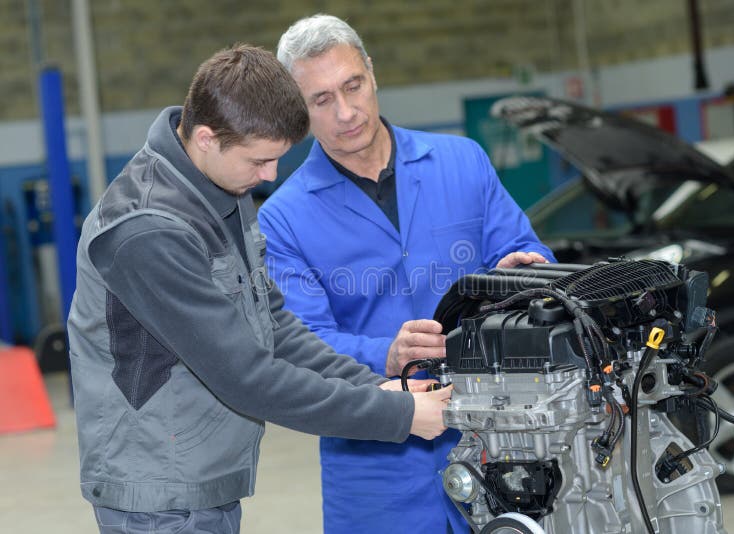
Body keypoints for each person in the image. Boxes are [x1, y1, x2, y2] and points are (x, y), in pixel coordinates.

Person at [67, 44, 452, 534]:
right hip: (159, 498)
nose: (269, 176)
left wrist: (373, 385)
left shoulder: (222, 185)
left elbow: (274, 325)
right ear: (206, 138)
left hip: (202, 476)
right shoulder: (147, 230)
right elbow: (246, 376)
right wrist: (396, 414)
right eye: (260, 161)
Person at [259, 15, 557, 534]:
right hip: (376, 470)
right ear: (297, 109)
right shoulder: (283, 218)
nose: (347, 112)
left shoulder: (462, 162)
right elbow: (299, 344)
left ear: (371, 73)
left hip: (499, 442)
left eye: (352, 85)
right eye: (321, 99)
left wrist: (524, 271)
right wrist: (385, 355)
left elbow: (524, 250)